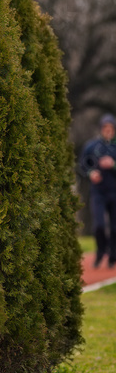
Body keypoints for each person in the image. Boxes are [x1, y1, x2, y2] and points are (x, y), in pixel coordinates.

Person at [80, 113, 116, 269]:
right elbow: (83, 164)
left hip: (114, 191)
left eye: (111, 127)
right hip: (98, 192)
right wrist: (91, 173)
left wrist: (113, 165)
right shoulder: (92, 146)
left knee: (114, 227)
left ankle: (113, 256)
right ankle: (101, 252)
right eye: (105, 127)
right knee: (99, 225)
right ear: (101, 129)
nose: (108, 130)